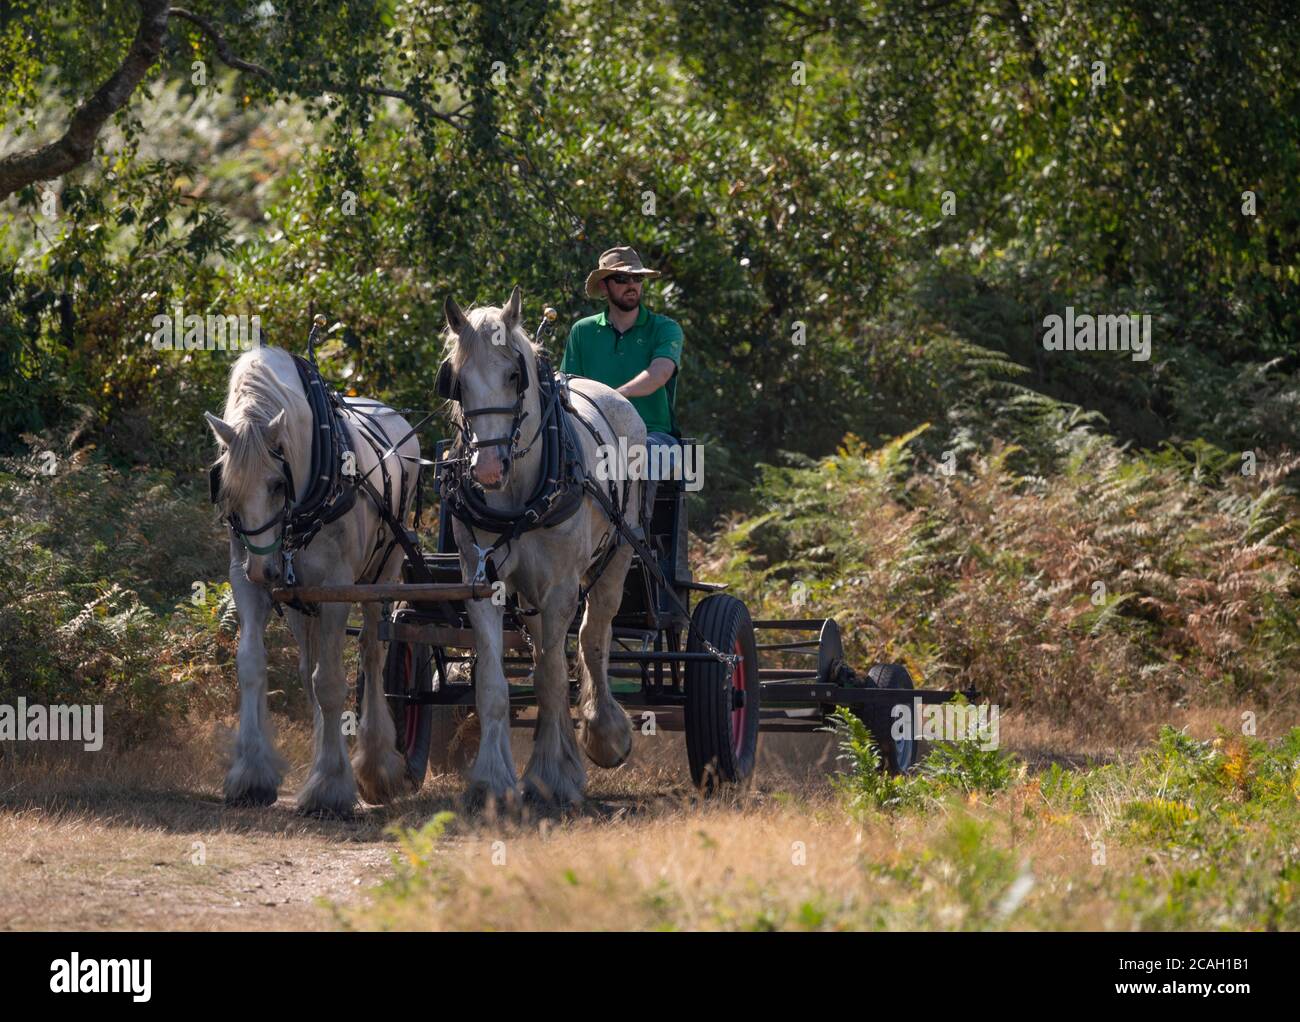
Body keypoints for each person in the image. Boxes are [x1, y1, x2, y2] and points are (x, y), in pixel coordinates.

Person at [561, 246, 686, 584]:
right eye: (622, 278)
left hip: (654, 436)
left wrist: (612, 399)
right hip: (591, 436)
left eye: (637, 278)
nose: (632, 285)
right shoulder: (582, 332)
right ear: (605, 287)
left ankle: (632, 536)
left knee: (631, 456)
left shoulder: (664, 328)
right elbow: (567, 388)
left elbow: (659, 374)